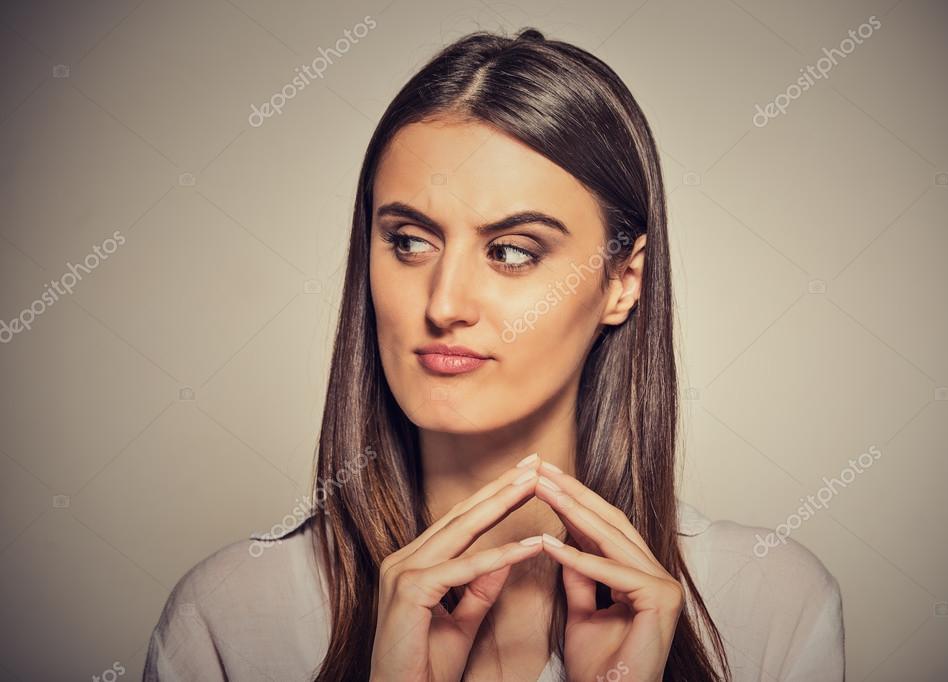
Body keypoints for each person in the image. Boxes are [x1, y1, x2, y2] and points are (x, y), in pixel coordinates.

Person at [144, 27, 844, 681]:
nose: (444, 303)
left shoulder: (767, 602)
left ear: (621, 281)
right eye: (410, 241)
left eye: (511, 252)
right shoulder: (233, 615)